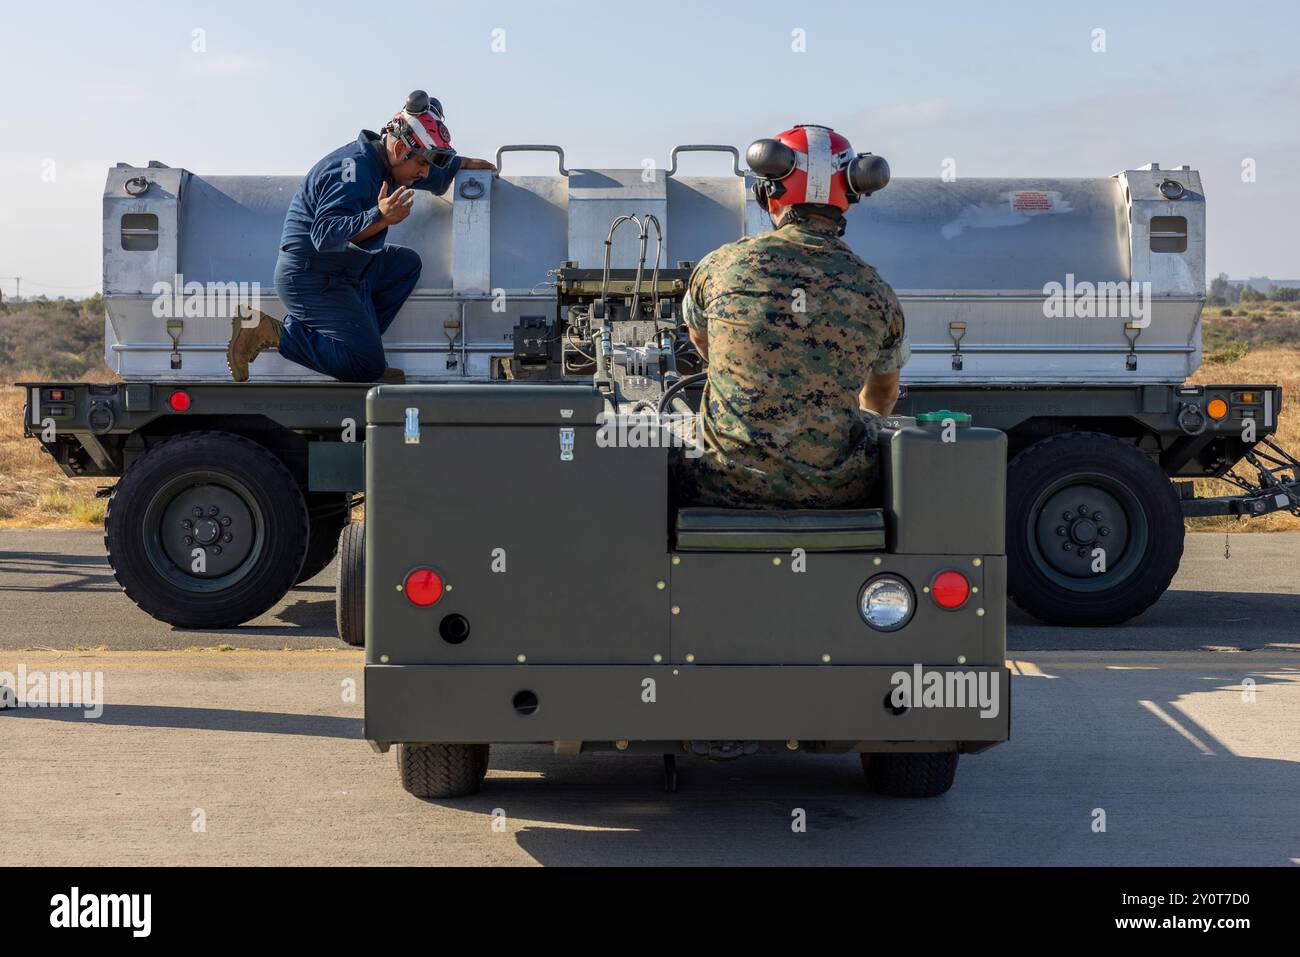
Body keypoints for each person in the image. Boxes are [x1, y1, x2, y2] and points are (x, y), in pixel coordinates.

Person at [674, 124, 909, 508]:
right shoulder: (876, 290)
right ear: (847, 199)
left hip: (720, 487)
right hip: (835, 496)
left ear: (769, 196)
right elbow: (883, 393)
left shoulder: (721, 266)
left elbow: (705, 344)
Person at [226, 91, 496, 383]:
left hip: (345, 269)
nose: (424, 173)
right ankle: (270, 331)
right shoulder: (352, 170)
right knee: (365, 367)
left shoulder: (386, 163)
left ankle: (362, 346)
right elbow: (325, 235)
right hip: (310, 278)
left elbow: (425, 172)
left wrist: (462, 164)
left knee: (404, 265)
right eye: (422, 163)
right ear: (399, 150)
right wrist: (380, 217)